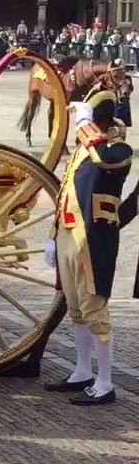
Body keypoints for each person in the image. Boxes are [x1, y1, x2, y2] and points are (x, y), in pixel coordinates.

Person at [51, 89, 132, 405]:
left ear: (97, 122)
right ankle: (83, 370)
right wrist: (52, 234)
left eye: (86, 121)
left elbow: (104, 161)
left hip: (94, 238)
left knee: (95, 309)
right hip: (70, 234)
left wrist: (85, 126)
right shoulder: (83, 149)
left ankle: (105, 381)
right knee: (77, 308)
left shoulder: (117, 149)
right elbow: (65, 191)